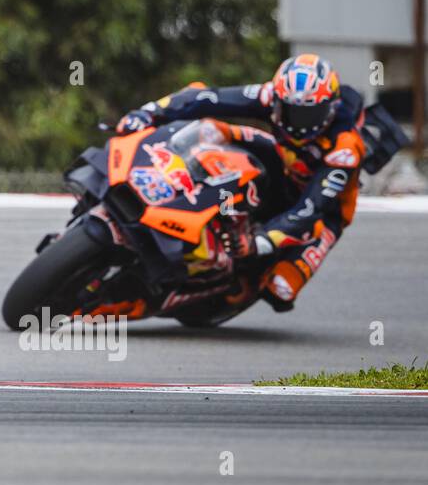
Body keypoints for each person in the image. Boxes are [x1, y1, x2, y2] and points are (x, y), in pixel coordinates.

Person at [116, 53, 366, 311]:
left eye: (309, 114)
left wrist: (260, 241)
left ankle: (231, 281)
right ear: (278, 99)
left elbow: (311, 208)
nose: (298, 125)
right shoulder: (269, 96)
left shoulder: (344, 149)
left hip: (324, 212)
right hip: (282, 165)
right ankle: (188, 203)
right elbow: (206, 98)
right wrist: (149, 113)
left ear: (330, 109)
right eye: (290, 112)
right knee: (211, 130)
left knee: (281, 289)